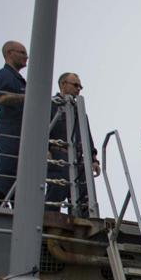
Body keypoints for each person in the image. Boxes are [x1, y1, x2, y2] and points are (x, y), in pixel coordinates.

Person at [45, 73, 100, 216]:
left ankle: (81, 219)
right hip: (58, 153)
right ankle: (48, 218)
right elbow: (41, 128)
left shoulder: (79, 110)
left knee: (82, 194)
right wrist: (45, 149)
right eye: (75, 85)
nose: (79, 89)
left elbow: (87, 136)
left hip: (78, 157)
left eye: (80, 86)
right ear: (63, 84)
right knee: (57, 189)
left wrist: (93, 159)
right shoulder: (50, 104)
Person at [0, 40, 28, 206]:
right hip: (10, 129)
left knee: (20, 170)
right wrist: (30, 97)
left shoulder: (19, 80)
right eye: (22, 53)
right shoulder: (4, 75)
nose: (26, 57)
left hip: (20, 130)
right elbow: (3, 98)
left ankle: (15, 203)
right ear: (9, 53)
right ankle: (1, 203)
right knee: (8, 167)